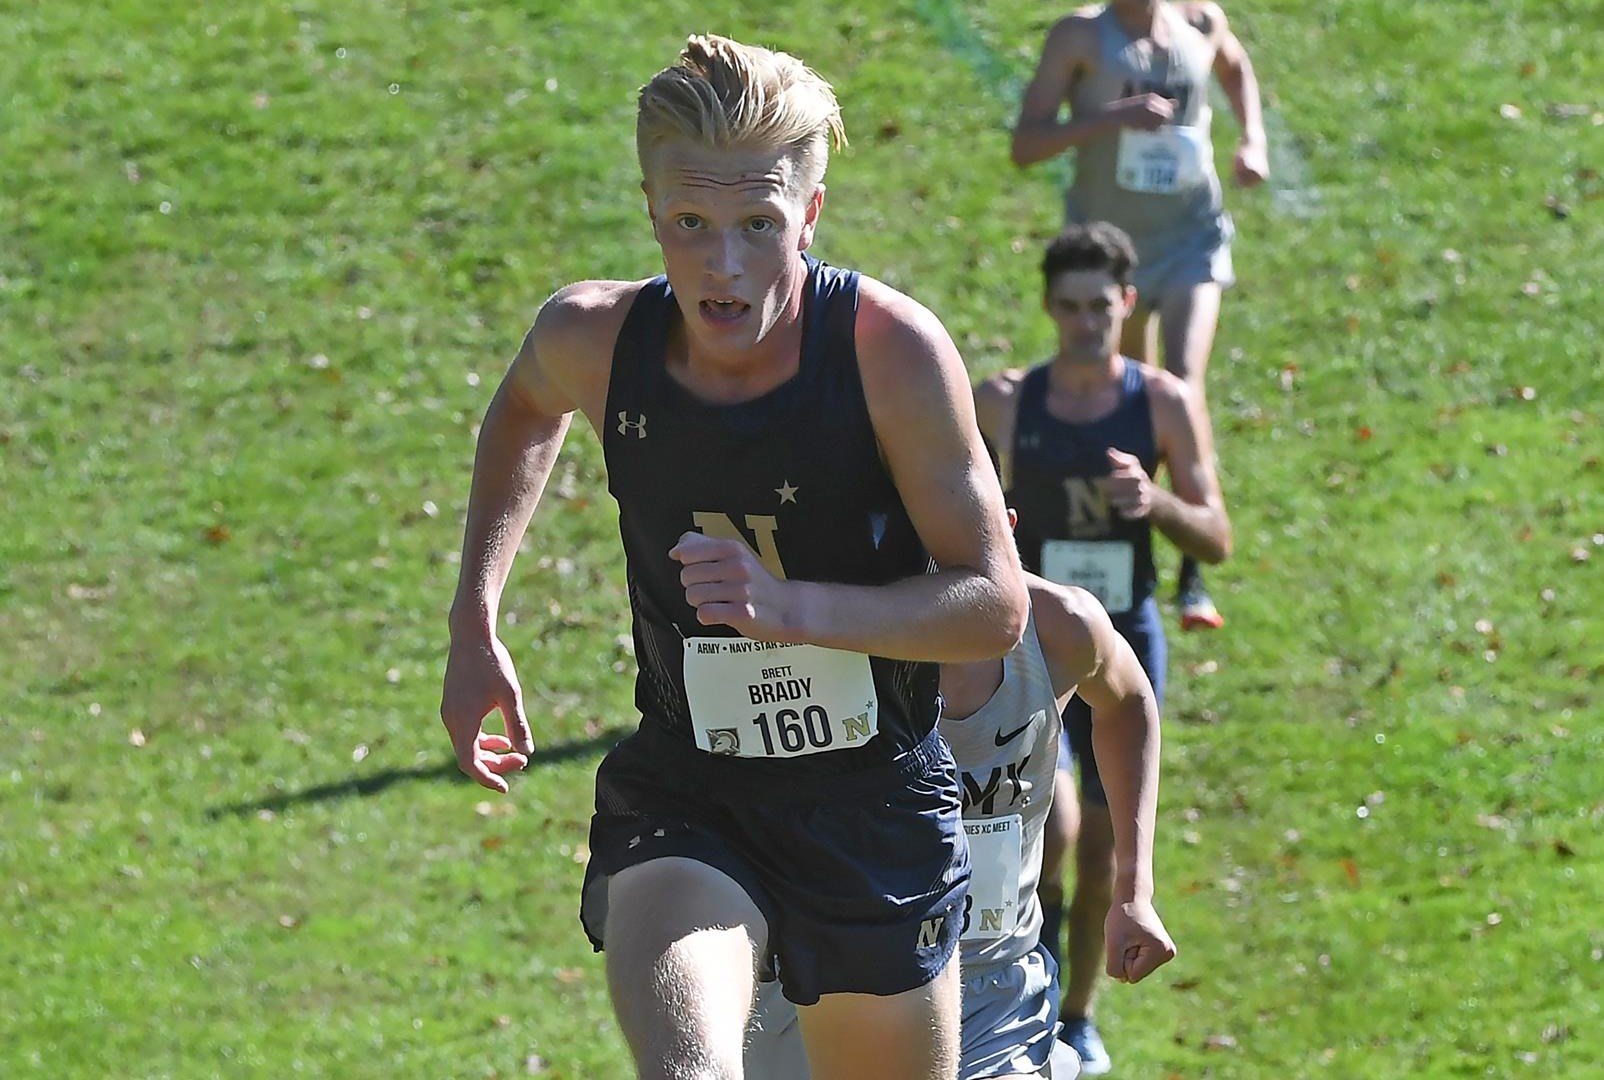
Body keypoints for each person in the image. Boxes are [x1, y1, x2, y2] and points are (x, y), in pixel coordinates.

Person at [438, 34, 1029, 1080]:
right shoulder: (593, 337)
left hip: (870, 802)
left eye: (758, 225)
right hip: (688, 791)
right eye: (689, 225)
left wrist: (788, 608)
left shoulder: (885, 351)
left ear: (807, 214)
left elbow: (990, 606)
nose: (723, 266)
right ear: (649, 209)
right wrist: (474, 616)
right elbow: (526, 410)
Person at [744, 565, 1178, 1080]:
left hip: (993, 988)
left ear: (1004, 525)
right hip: (825, 988)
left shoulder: (1057, 624)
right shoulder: (807, 622)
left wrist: (1133, 889)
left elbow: (1127, 699)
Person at [973, 223, 1229, 1075]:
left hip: (1122, 638)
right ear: (1049, 306)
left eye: (1103, 306)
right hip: (1034, 642)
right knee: (1048, 835)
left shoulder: (1159, 401)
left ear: (1126, 303)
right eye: (1071, 306)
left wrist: (1153, 503)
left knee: (1104, 846)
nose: (1087, 323)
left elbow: (1216, 536)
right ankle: (1031, 998)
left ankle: (1077, 1018)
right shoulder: (1006, 402)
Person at [1010, 0, 1266, 629]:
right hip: (1108, 257)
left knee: (1182, 383)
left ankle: (1193, 570)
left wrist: (1251, 138)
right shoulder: (1079, 36)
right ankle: (1122, 536)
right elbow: (1027, 144)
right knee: (1131, 398)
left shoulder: (1200, 22)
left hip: (1190, 240)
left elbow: (1235, 67)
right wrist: (1108, 118)